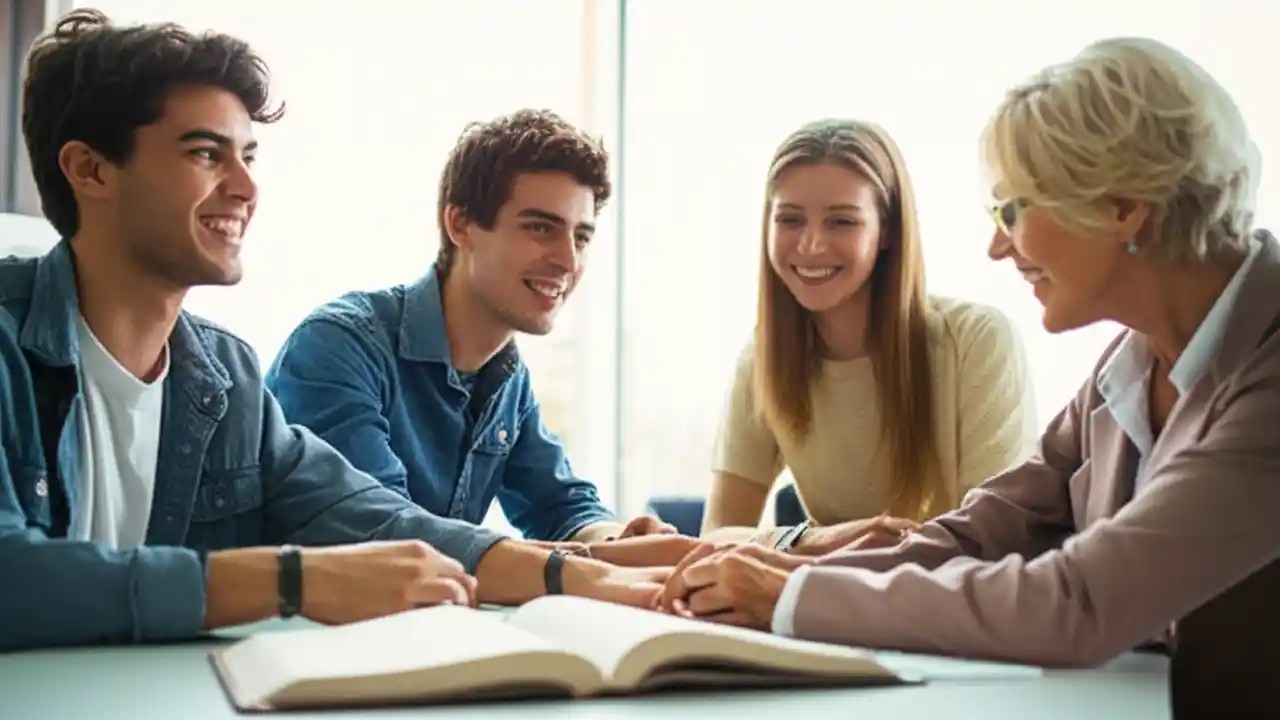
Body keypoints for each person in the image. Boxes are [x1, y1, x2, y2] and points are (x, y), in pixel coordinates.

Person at [0, 10, 664, 652]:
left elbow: (378, 520)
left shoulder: (223, 376)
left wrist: (590, 574)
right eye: (206, 154)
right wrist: (291, 581)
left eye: (250, 156)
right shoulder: (10, 340)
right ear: (90, 170)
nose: (245, 187)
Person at [658, 36, 1280, 682]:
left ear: (1121, 207)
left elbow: (1079, 602)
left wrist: (790, 597)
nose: (996, 246)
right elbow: (982, 530)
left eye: (1014, 210)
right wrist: (797, 572)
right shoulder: (1128, 365)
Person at [266, 109, 694, 568]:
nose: (568, 261)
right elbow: (386, 536)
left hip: (414, 625)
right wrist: (585, 562)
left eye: (582, 236)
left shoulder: (506, 377)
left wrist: (619, 540)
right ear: (460, 224)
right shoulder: (337, 347)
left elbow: (559, 503)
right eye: (540, 228)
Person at [701, 119, 1036, 556]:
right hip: (823, 607)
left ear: (888, 232)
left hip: (951, 611)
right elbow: (716, 536)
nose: (810, 244)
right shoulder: (763, 356)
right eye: (790, 219)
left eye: (841, 221)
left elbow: (998, 544)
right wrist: (815, 540)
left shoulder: (978, 342)